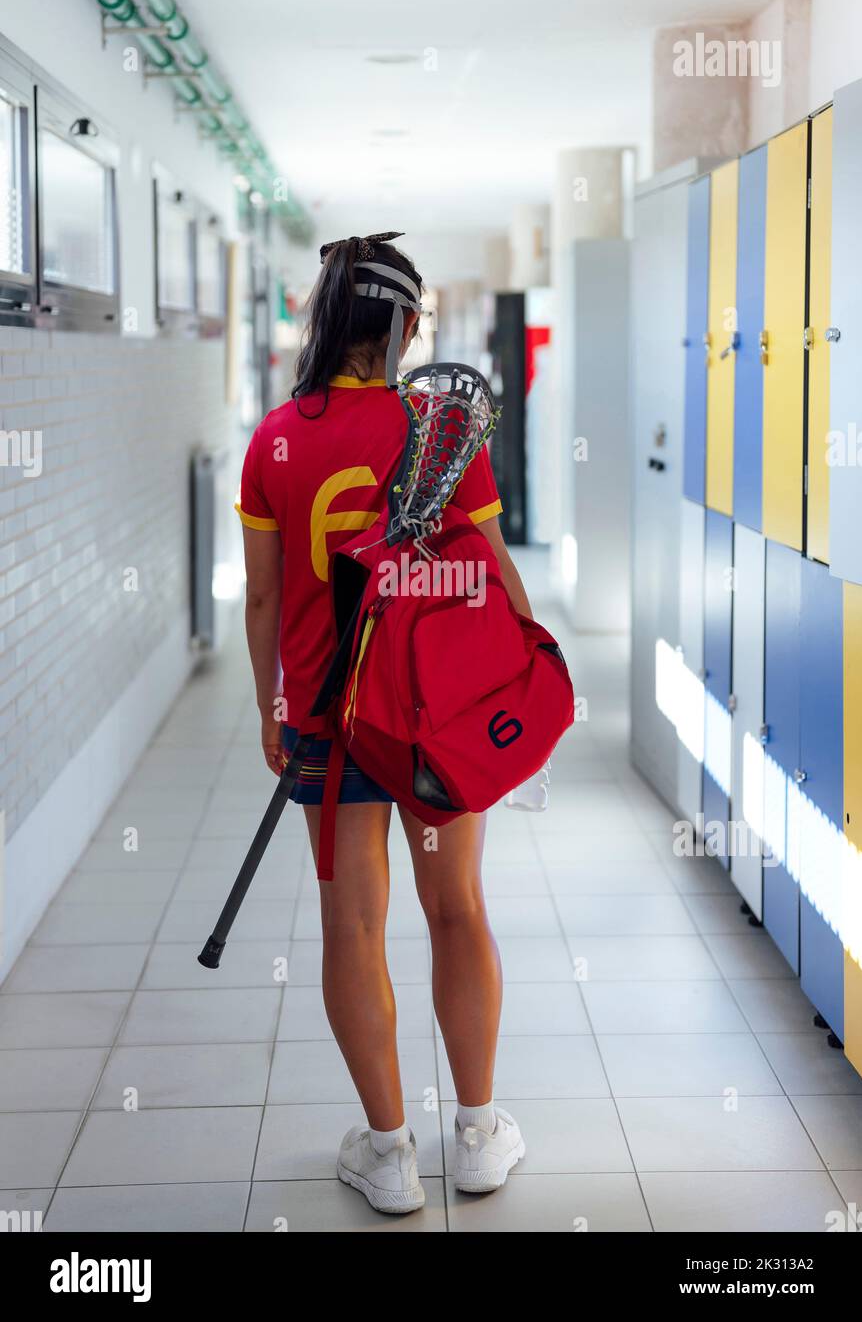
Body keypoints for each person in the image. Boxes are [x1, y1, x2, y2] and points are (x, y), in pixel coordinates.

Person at [235, 232, 534, 1214]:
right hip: (432, 721)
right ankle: (480, 1136)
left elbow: (264, 598)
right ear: (405, 322)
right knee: (458, 909)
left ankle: (391, 1151)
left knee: (352, 925)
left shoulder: (276, 437)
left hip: (329, 721)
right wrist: (523, 673)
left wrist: (274, 706)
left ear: (329, 314)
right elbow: (491, 569)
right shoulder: (440, 428)